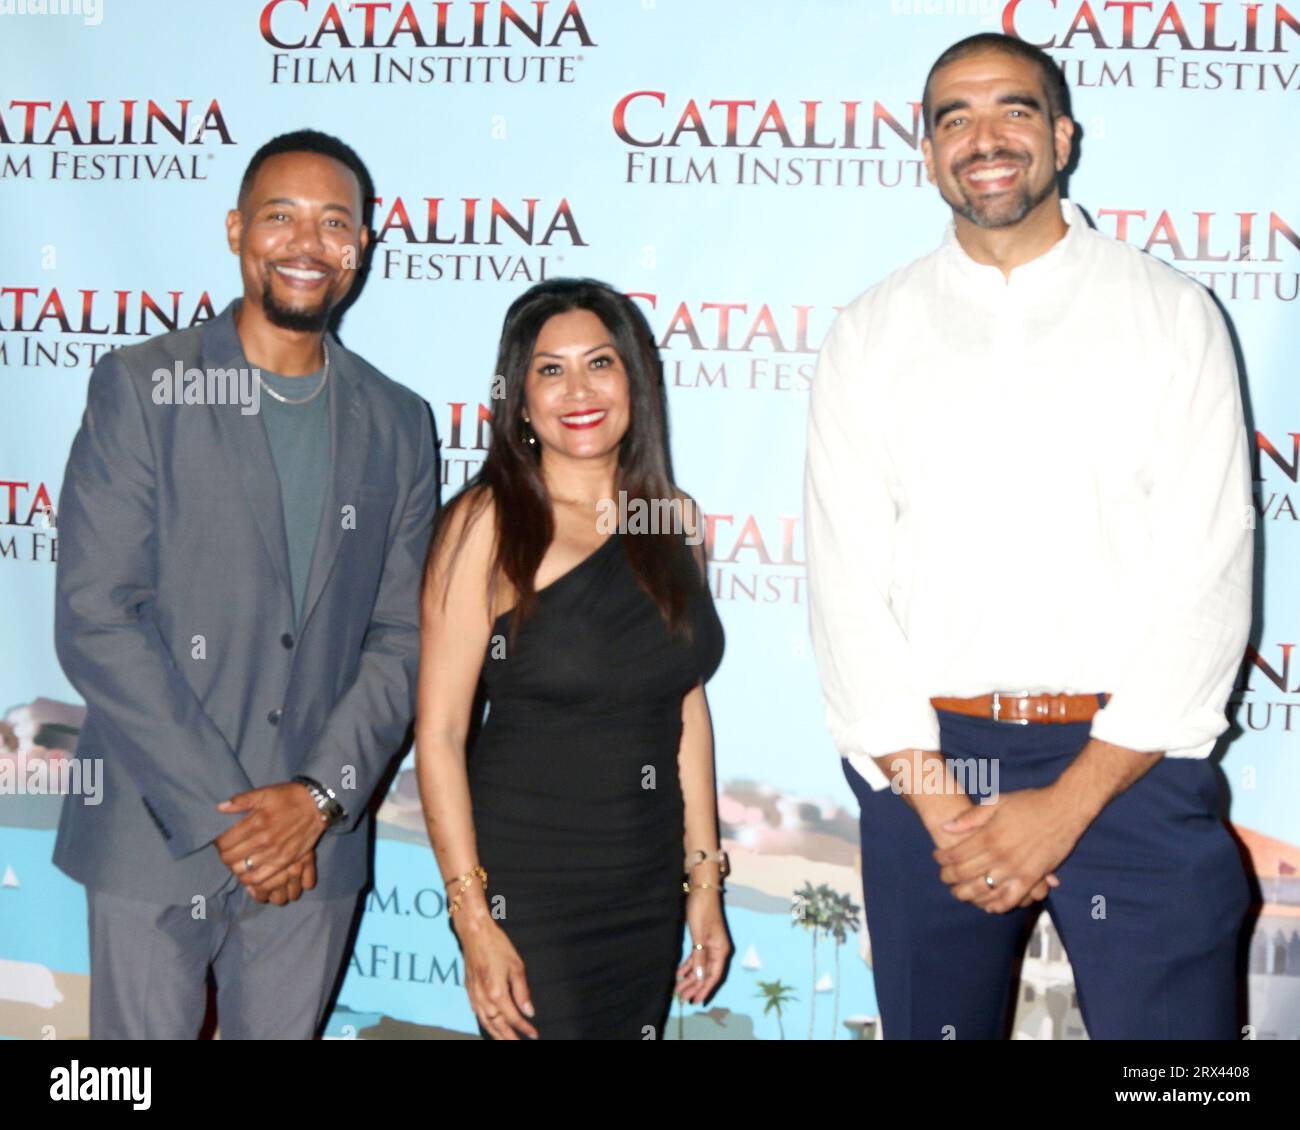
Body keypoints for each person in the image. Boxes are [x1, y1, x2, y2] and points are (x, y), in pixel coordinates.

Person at [804, 33, 1253, 1040]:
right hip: (931, 764)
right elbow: (842, 590)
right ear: (925, 154)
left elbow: (1209, 578)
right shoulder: (870, 333)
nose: (982, 137)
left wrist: (1067, 800)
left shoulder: (1171, 314)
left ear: (1061, 134)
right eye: (951, 118)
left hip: (1133, 759)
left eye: (1011, 109)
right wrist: (935, 800)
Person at [53, 129, 439, 1039]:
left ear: (362, 248)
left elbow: (402, 636)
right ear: (235, 230)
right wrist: (230, 818)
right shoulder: (143, 389)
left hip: (315, 853)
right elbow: (96, 618)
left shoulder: (398, 419)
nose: (307, 243)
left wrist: (313, 801)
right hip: (152, 837)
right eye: (281, 216)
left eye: (334, 222)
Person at [416, 278, 729, 1040]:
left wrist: (704, 879)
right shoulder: (485, 526)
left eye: (600, 363)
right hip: (531, 890)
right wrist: (473, 918)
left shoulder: (676, 520)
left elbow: (683, 706)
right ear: (520, 398)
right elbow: (441, 735)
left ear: (635, 382)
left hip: (644, 887)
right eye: (550, 370)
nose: (578, 390)